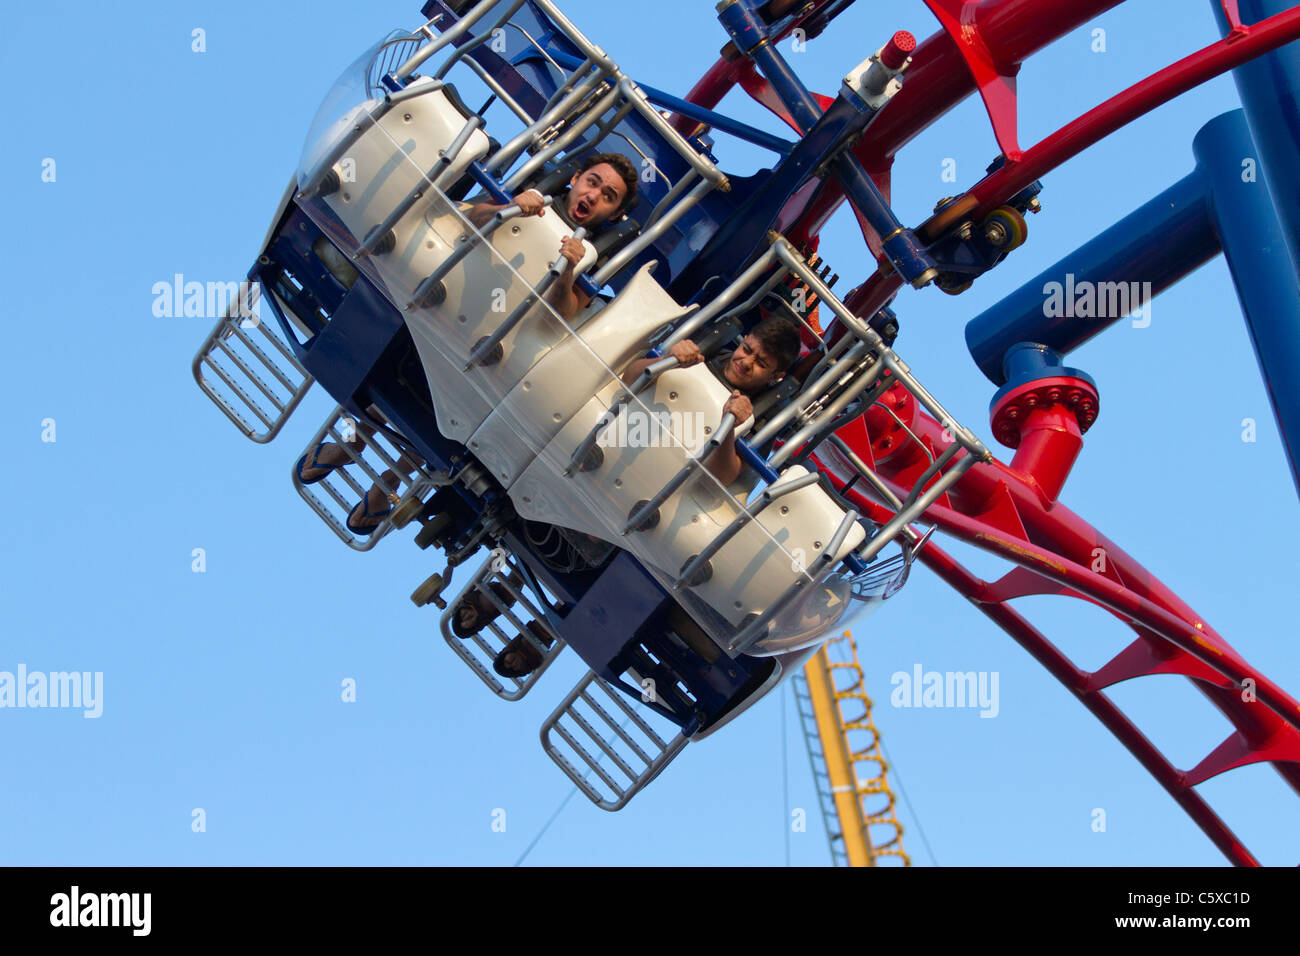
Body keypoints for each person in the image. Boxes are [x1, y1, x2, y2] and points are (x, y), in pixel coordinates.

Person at [621, 315, 803, 485]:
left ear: (775, 377)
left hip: (678, 481)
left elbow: (724, 478)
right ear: (744, 339)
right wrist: (666, 360)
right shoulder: (705, 352)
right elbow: (628, 379)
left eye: (761, 364)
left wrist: (729, 428)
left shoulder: (764, 412)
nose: (746, 363)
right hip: (628, 438)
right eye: (746, 350)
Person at [463, 152, 638, 321]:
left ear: (615, 213)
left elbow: (562, 316)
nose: (592, 196)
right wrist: (509, 209)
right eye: (591, 182)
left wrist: (568, 270)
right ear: (575, 178)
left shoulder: (593, 258)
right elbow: (472, 220)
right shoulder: (531, 194)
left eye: (608, 196)